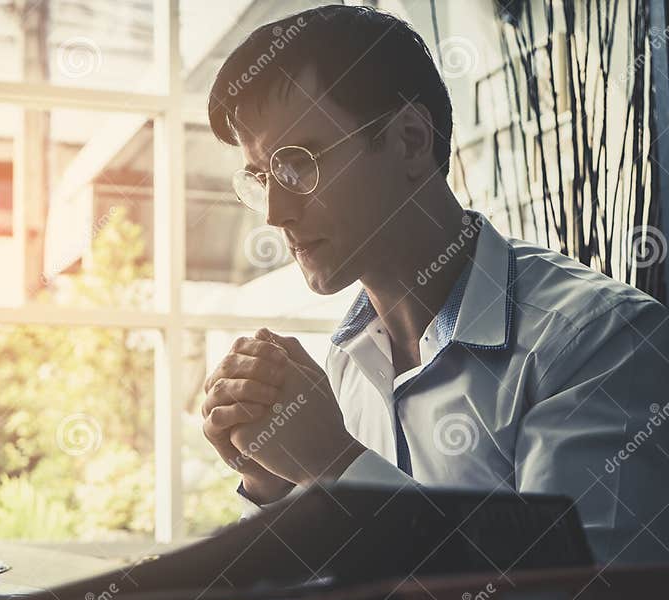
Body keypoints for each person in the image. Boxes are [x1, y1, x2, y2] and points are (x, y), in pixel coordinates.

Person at [201, 4, 669, 565]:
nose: (275, 212)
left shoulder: (599, 341)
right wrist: (270, 484)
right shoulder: (348, 361)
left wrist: (334, 465)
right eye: (261, 177)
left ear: (410, 140)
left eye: (298, 163)